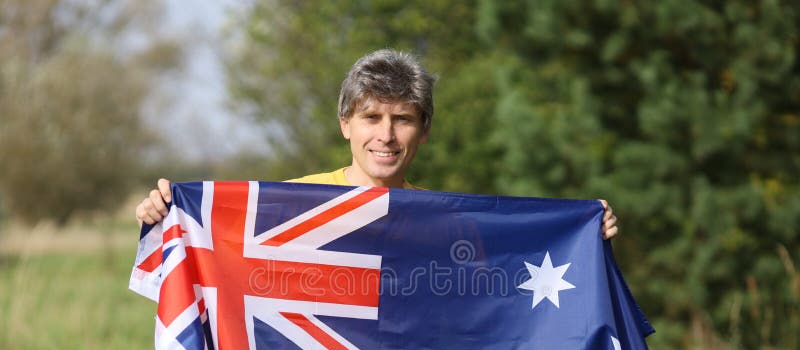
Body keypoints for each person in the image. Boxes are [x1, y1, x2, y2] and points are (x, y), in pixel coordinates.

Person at [135, 48, 618, 239]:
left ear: (424, 130)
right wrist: (164, 215)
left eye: (402, 119)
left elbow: (505, 286)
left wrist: (580, 236)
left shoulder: (447, 220)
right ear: (345, 124)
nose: (386, 135)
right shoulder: (293, 202)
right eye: (371, 118)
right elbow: (217, 245)